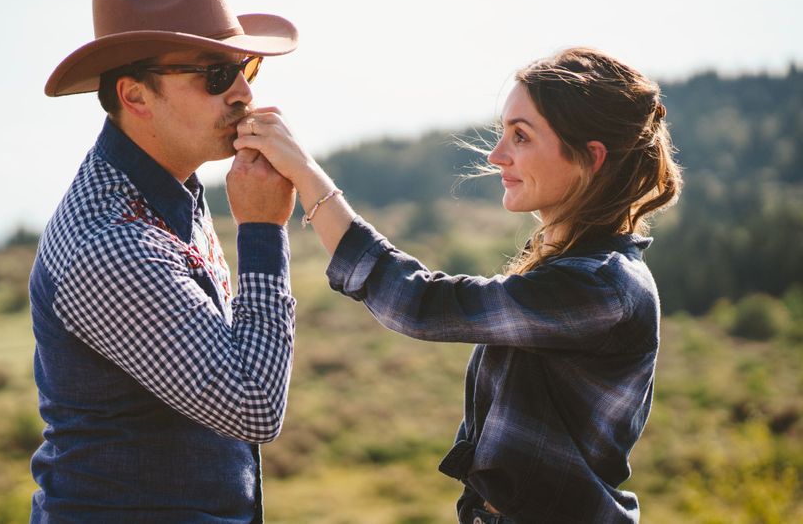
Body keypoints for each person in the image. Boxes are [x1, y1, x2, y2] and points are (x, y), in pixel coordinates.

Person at [235, 48, 682, 524]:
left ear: (590, 158)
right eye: (503, 132)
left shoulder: (598, 287)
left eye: (521, 136)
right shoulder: (583, 272)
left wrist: (306, 175)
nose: (497, 155)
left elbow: (419, 304)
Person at [29, 0, 299, 523]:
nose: (244, 93)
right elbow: (253, 405)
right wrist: (263, 231)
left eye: (245, 66)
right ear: (135, 97)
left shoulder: (172, 188)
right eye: (215, 75)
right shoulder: (112, 241)